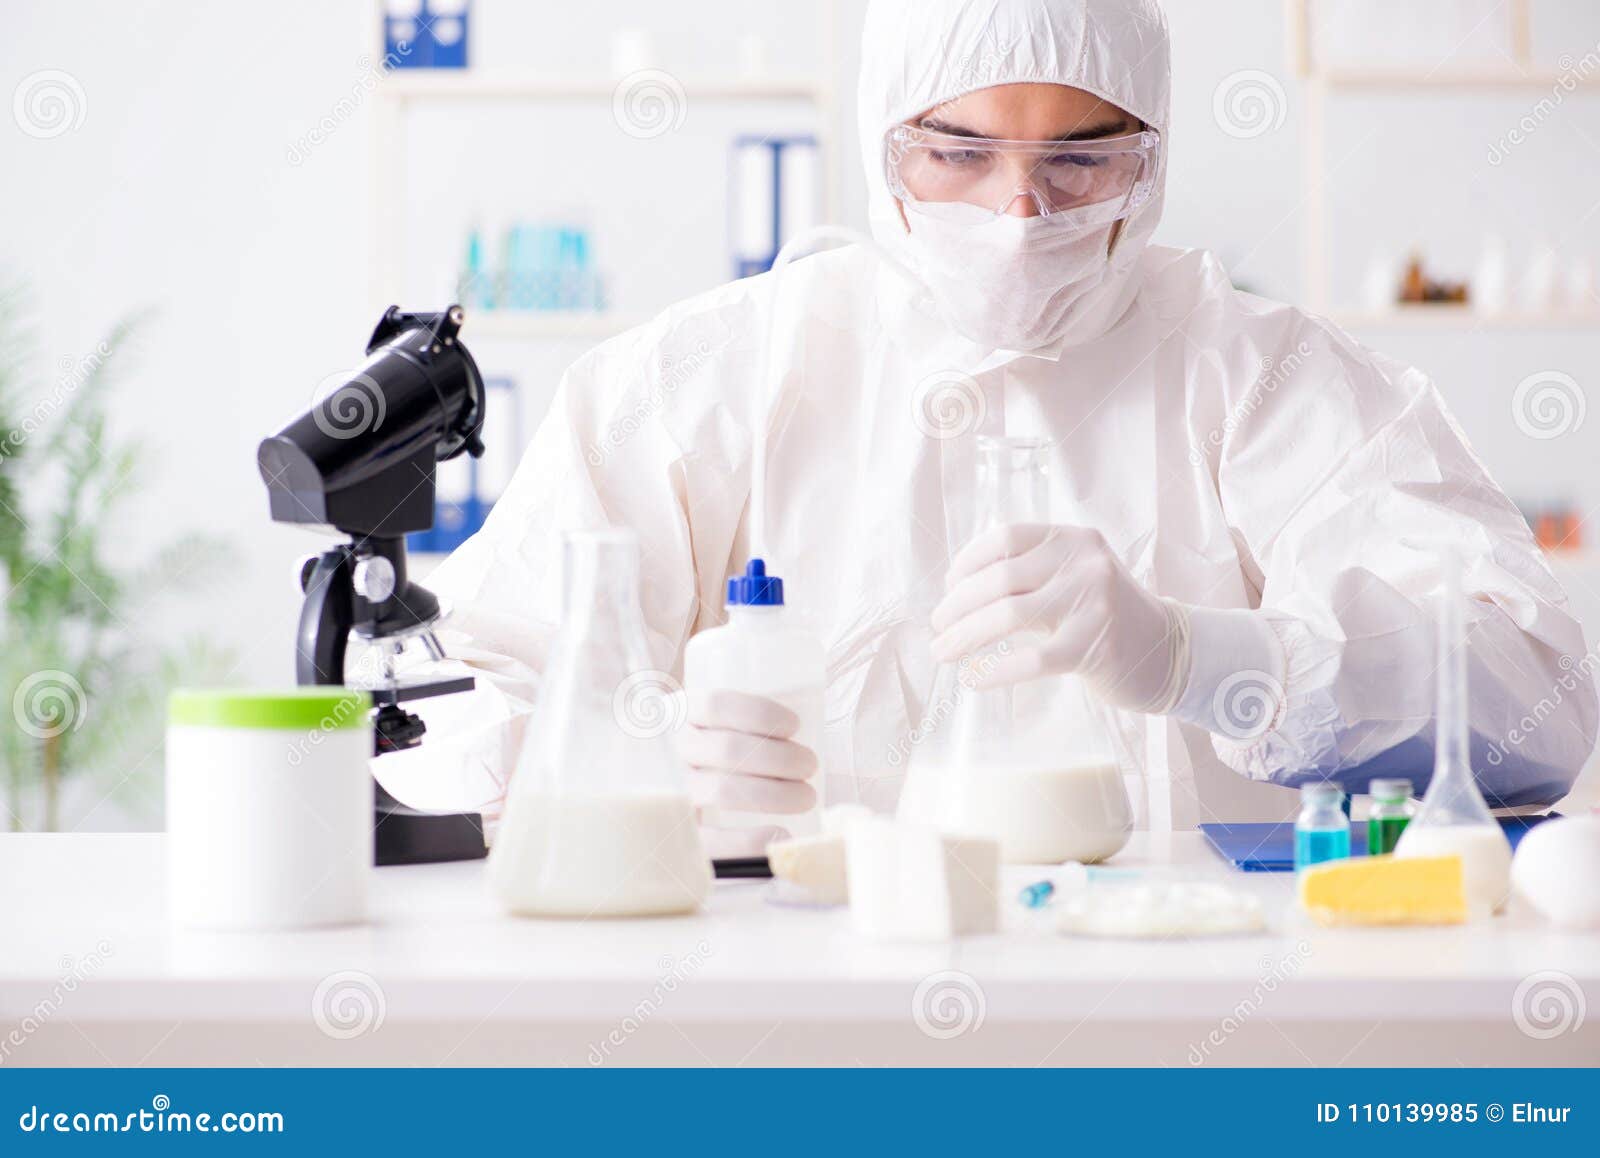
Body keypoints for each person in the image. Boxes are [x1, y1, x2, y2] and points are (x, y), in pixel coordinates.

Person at [381, 0, 1597, 856]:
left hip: (1178, 1025)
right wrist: (626, 768)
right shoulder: (702, 379)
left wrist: (1200, 658)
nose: (1019, 211)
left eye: (1082, 160)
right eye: (959, 152)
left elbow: (1536, 701)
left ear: (1152, 159)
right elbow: (443, 711)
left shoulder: (1262, 375)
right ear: (886, 143)